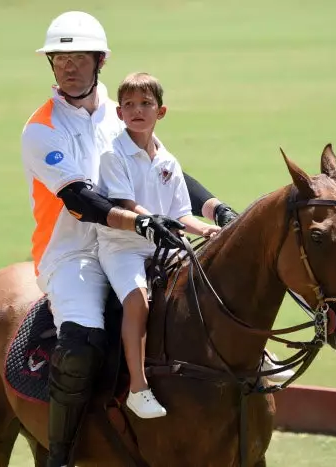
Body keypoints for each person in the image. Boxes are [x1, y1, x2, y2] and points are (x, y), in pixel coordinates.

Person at [21, 11, 238, 467]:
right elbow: (80, 198)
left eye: (79, 57)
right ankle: (60, 454)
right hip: (72, 252)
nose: (68, 67)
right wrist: (140, 222)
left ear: (100, 60)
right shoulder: (41, 128)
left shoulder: (119, 111)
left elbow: (163, 167)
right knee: (82, 342)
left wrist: (217, 209)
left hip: (135, 241)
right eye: (59, 59)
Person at [97, 72, 221, 419]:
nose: (138, 110)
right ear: (119, 113)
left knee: (213, 280)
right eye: (129, 105)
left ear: (161, 112)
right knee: (137, 301)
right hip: (123, 247)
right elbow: (124, 204)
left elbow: (182, 214)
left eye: (146, 104)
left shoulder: (168, 159)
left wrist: (207, 231)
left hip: (164, 243)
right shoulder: (113, 154)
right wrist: (153, 221)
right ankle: (138, 387)